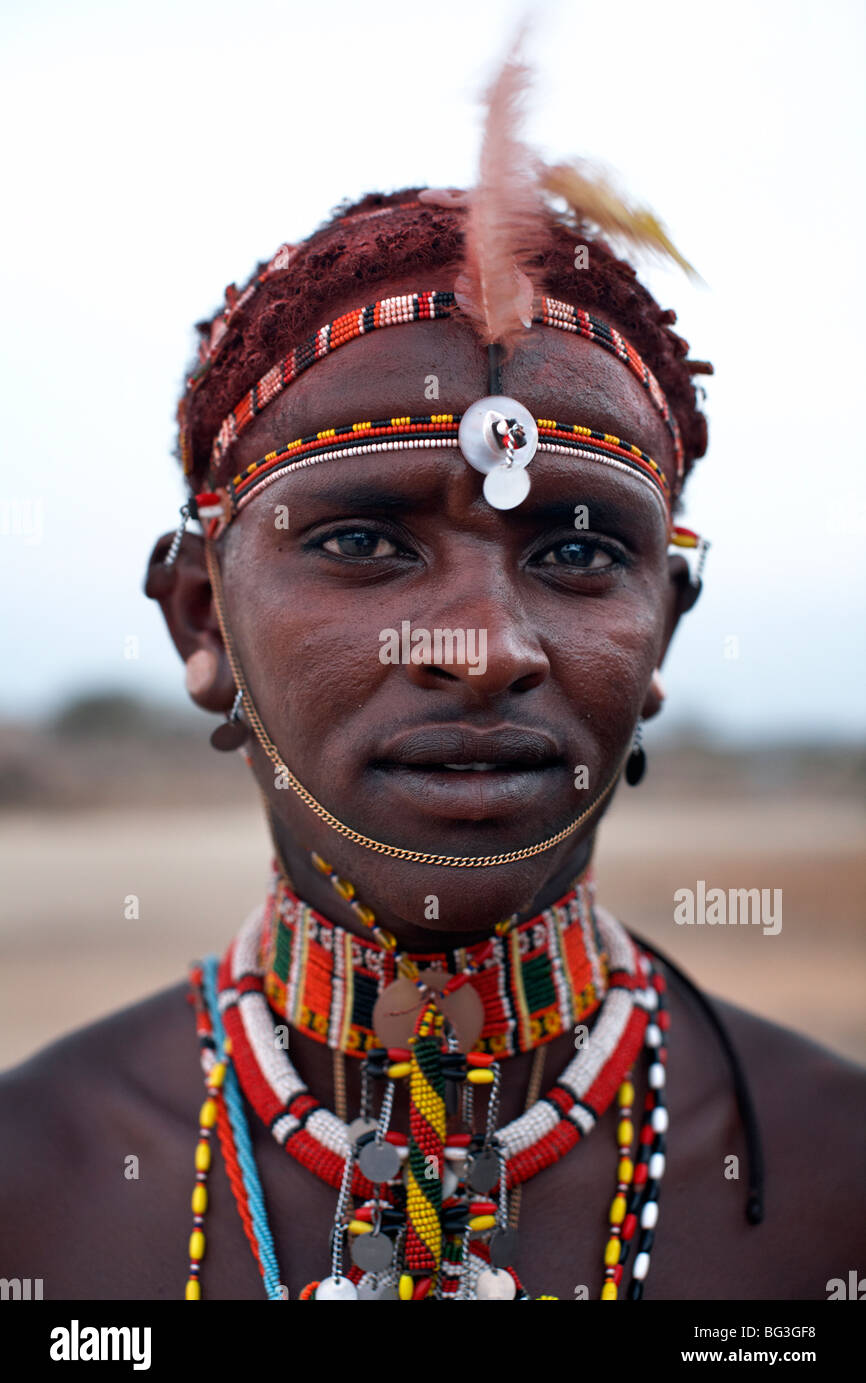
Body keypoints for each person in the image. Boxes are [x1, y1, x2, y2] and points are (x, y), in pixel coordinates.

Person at [1, 54, 863, 1304]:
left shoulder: (834, 1184)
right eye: (360, 540)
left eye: (577, 550)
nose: (486, 647)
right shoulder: (33, 1186)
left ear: (663, 634)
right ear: (202, 621)